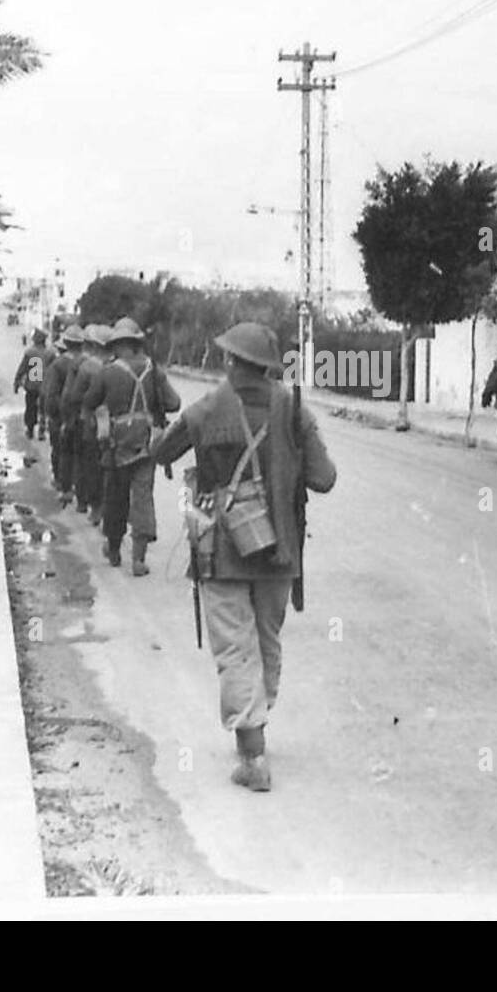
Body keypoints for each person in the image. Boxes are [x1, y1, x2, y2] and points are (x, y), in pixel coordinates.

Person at [152, 321, 336, 793]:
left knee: (235, 648)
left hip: (223, 552)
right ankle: (255, 724)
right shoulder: (294, 408)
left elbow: (161, 452)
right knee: (266, 639)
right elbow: (324, 478)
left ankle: (252, 753)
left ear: (232, 361)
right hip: (280, 552)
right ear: (269, 366)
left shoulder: (209, 407)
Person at [83, 318, 182, 574]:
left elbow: (89, 402)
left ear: (116, 345)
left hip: (116, 445)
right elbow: (174, 403)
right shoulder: (154, 370)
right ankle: (139, 559)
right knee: (142, 499)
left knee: (115, 497)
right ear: (137, 343)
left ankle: (114, 550)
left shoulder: (108, 372)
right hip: (148, 444)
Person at [64, 324, 110, 523]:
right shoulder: (114, 367)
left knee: (86, 464)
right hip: (112, 425)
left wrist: (65, 418)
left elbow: (71, 396)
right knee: (104, 467)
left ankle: (87, 504)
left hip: (87, 422)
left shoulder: (82, 366)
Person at [43, 324, 84, 497]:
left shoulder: (44, 357)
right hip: (80, 416)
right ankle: (76, 486)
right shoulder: (85, 362)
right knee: (77, 454)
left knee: (60, 451)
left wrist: (45, 412)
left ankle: (62, 482)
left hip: (58, 414)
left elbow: (45, 389)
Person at [13, 329, 56, 440]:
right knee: (43, 409)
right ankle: (41, 430)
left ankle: (30, 429)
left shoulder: (29, 352)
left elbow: (22, 369)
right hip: (45, 386)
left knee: (30, 407)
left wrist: (17, 382)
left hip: (31, 385)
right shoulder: (50, 353)